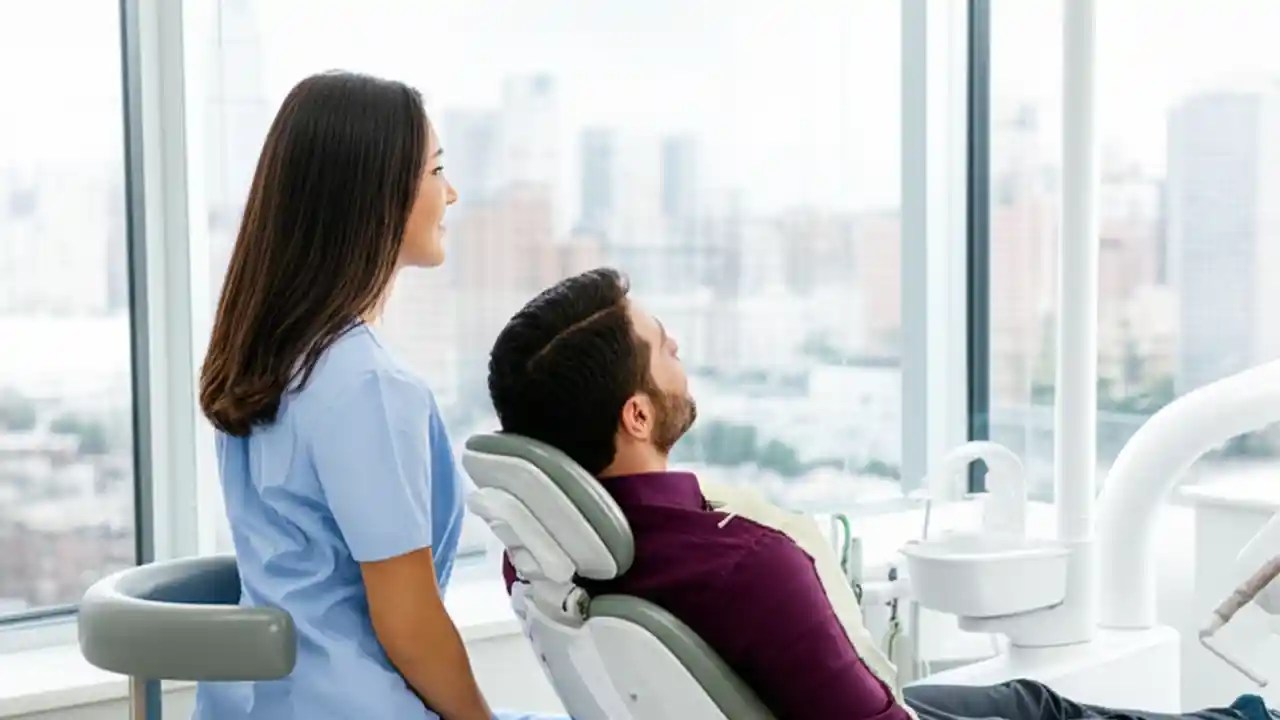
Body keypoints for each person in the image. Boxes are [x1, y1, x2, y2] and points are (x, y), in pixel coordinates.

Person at [485, 267, 1278, 720]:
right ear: (637, 414)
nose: (679, 347)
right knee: (1044, 713)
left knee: (1025, 701)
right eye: (661, 347)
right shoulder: (747, 566)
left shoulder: (549, 566)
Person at [196, 71, 559, 720]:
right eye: (435, 171)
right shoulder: (366, 387)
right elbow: (410, 626)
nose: (451, 194)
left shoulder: (265, 358)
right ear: (373, 195)